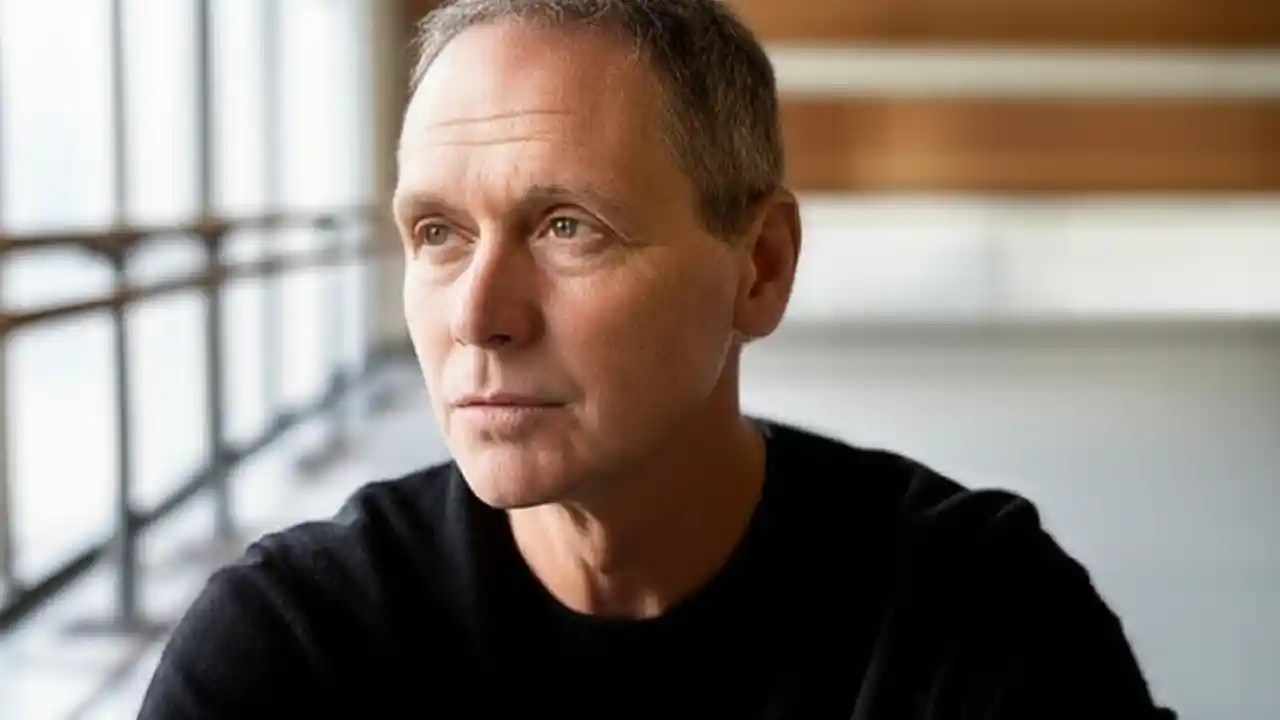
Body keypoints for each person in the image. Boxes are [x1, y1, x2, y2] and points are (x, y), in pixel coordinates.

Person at [139, 1, 1176, 717]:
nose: (478, 316)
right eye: (437, 233)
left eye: (565, 227)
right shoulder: (294, 648)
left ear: (758, 269)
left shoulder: (971, 616)